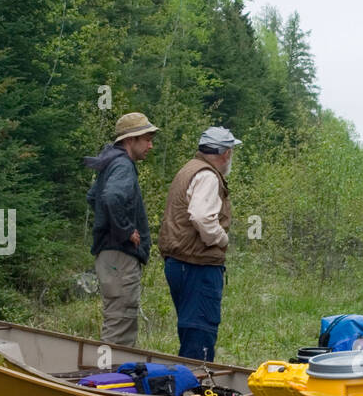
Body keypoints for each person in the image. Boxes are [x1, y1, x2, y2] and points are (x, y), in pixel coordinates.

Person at [158, 125, 243, 361]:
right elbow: (201, 216)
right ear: (225, 153)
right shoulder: (207, 176)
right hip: (196, 265)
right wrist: (221, 238)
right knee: (200, 333)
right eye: (231, 152)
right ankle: (196, 391)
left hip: (181, 263)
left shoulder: (189, 169)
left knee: (190, 330)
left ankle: (188, 385)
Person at [84, 112, 157, 346]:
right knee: (120, 327)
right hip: (120, 257)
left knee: (116, 320)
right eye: (146, 139)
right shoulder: (123, 165)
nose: (150, 145)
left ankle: (109, 376)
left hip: (109, 255)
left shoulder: (111, 163)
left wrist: (108, 225)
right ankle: (110, 380)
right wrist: (126, 230)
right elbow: (111, 196)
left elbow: (93, 196)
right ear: (130, 140)